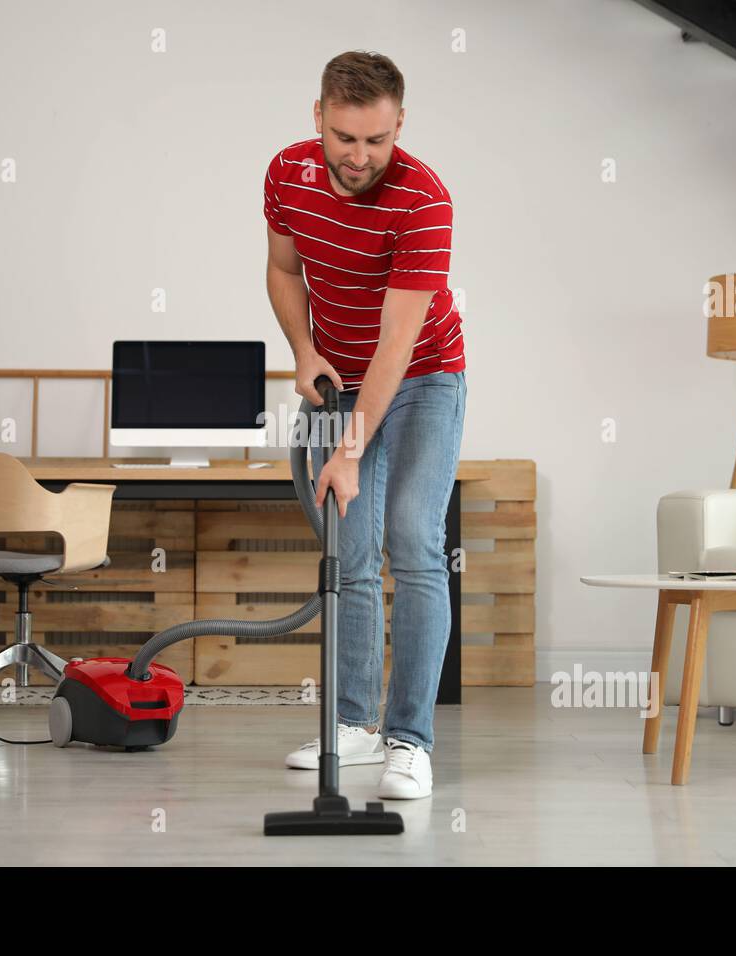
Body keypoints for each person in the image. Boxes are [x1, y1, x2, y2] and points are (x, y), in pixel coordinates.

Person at [264, 50, 467, 799]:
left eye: (376, 140)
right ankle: (353, 725)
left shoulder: (423, 200)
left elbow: (396, 345)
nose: (359, 157)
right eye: (345, 137)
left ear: (399, 125)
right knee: (349, 551)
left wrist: (349, 451)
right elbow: (284, 271)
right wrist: (303, 348)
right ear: (318, 116)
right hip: (336, 376)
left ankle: (410, 741)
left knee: (414, 541)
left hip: (422, 376)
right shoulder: (288, 172)